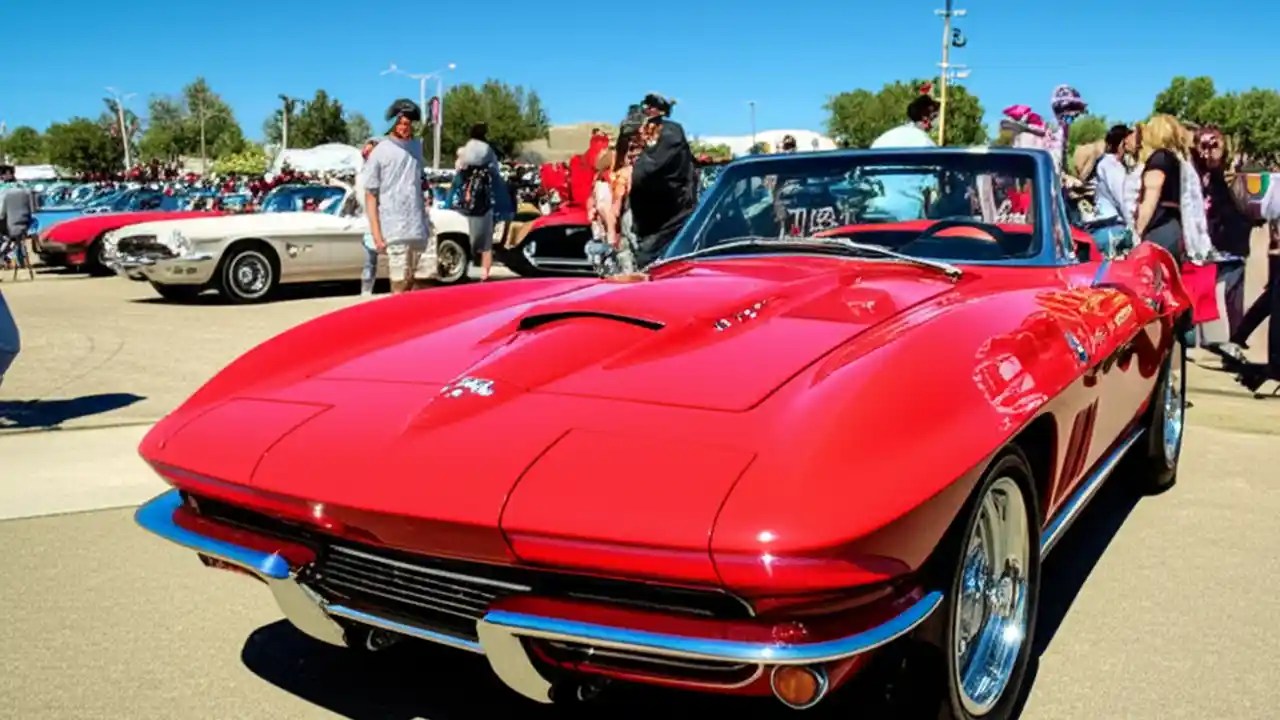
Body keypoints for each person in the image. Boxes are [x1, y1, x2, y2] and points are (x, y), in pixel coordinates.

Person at [361, 98, 433, 294]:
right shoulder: (380, 151)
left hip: (418, 229)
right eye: (400, 123)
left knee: (422, 285)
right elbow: (370, 196)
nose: (404, 127)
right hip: (394, 229)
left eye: (408, 124)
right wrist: (377, 235)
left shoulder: (417, 147)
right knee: (399, 286)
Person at [628, 93, 698, 268]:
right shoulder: (650, 134)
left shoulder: (670, 132)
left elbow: (646, 169)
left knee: (650, 263)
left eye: (647, 108)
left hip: (672, 216)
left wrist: (626, 175)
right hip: (650, 218)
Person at [454, 122, 502, 281]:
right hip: (485, 198)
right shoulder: (488, 151)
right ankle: (484, 272)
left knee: (466, 234)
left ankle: (466, 266)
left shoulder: (465, 150)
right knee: (487, 239)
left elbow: (458, 168)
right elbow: (496, 171)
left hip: (466, 199)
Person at [355, 137, 382, 296]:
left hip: (386, 221)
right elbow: (361, 199)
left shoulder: (383, 175)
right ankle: (366, 292)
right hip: (368, 222)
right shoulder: (362, 176)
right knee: (369, 262)